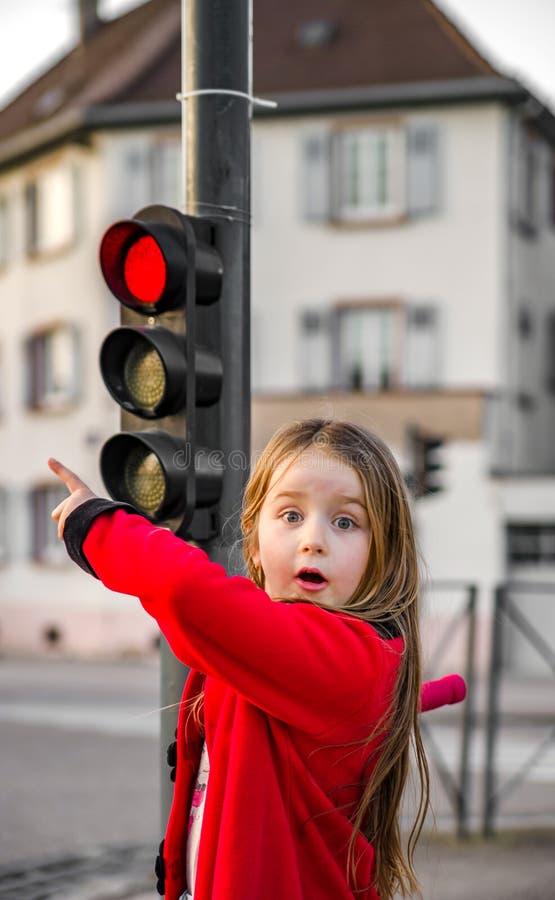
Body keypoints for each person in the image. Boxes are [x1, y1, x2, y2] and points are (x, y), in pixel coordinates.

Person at [48, 418, 434, 899]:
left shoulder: (342, 657)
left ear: (385, 552)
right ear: (253, 539)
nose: (313, 539)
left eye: (345, 521)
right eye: (291, 515)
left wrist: (96, 526)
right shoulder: (300, 655)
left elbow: (185, 591)